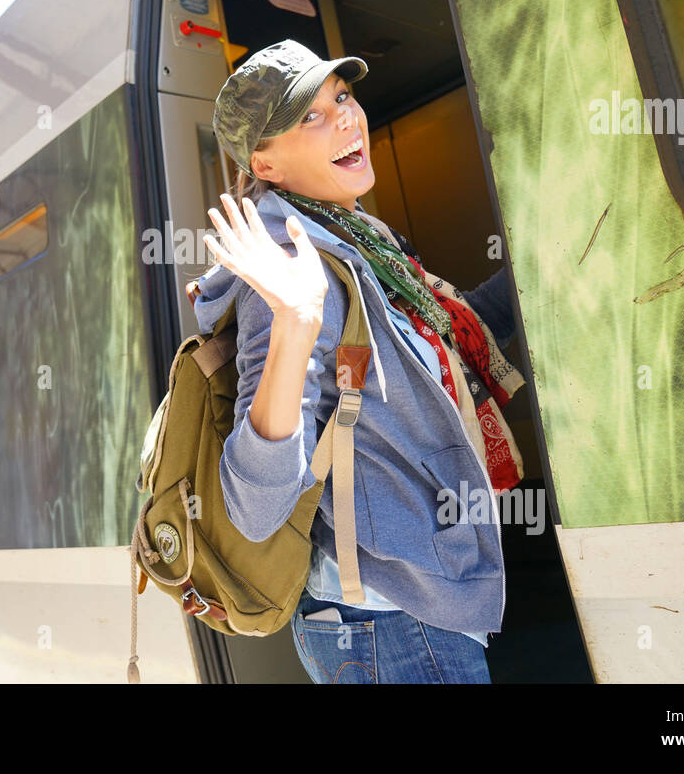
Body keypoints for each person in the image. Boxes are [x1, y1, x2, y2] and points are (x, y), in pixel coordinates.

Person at [191, 39, 526, 684]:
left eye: (341, 98)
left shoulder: (359, 240)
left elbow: (452, 337)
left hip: (415, 608)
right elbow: (255, 509)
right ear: (265, 162)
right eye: (309, 117)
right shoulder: (292, 270)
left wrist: (544, 260)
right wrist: (294, 323)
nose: (346, 118)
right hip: (385, 626)